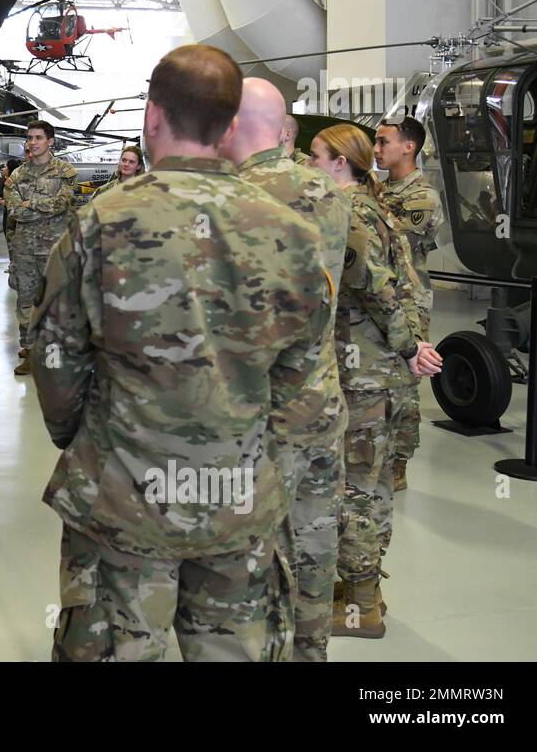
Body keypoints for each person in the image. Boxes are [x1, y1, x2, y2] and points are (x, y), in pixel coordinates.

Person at [31, 44, 332, 661]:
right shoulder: (293, 233)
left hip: (125, 500)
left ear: (151, 116)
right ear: (226, 129)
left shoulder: (101, 222)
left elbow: (56, 359)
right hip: (238, 502)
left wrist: (79, 436)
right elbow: (306, 388)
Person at [219, 78, 352, 662]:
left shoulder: (226, 198)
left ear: (231, 126)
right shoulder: (326, 192)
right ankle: (311, 652)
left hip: (258, 418)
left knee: (249, 556)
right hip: (321, 402)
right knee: (316, 543)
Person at [308, 124, 440, 637]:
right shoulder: (370, 202)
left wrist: (410, 347)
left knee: (358, 487)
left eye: (318, 156)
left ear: (340, 162)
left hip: (366, 371)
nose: (312, 164)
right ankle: (358, 589)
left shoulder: (353, 211)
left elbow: (378, 287)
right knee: (368, 481)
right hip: (373, 367)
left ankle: (362, 604)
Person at [374, 116, 443, 492]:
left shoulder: (422, 197)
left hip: (408, 300)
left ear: (408, 146)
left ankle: (399, 462)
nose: (377, 149)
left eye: (384, 142)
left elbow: (386, 238)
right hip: (379, 297)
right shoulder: (378, 189)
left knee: (404, 384)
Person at [5, 121, 77, 375]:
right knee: (26, 301)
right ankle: (30, 351)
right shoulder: (17, 175)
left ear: (50, 141)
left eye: (38, 137)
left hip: (54, 250)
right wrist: (40, 206)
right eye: (29, 137)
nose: (32, 142)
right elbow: (14, 210)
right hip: (24, 249)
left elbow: (62, 203)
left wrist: (30, 204)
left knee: (56, 301)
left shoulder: (65, 172)